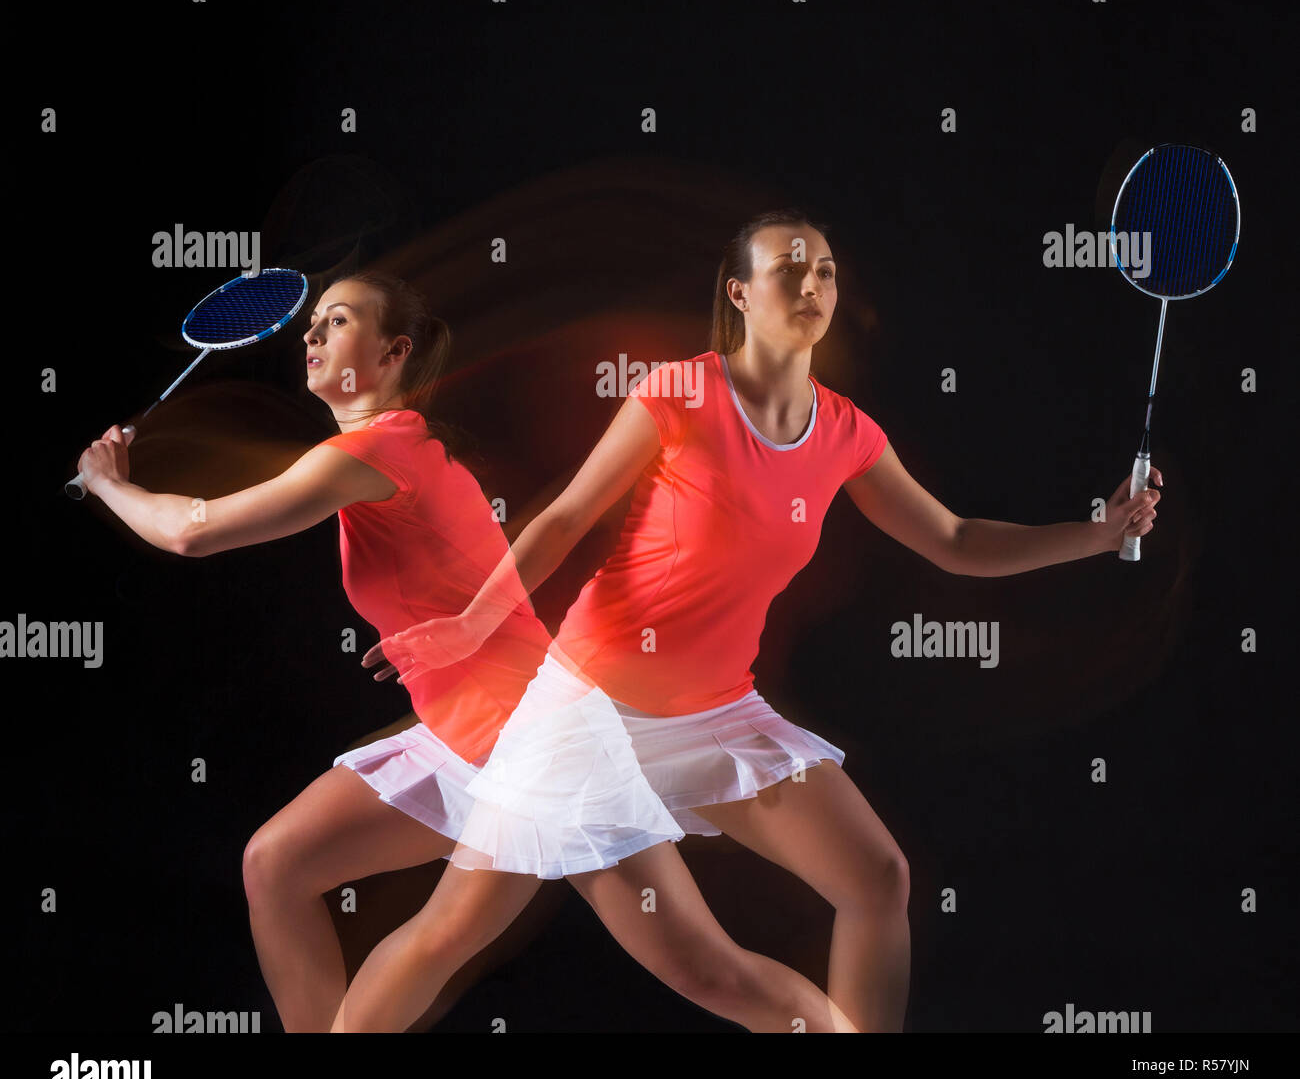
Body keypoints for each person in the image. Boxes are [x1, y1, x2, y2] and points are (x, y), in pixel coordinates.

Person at [345, 208, 1162, 1034]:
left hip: (716, 710)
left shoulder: (845, 433)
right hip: (586, 710)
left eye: (827, 272)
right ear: (739, 291)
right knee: (466, 935)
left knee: (878, 878)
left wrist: (1098, 534)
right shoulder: (681, 391)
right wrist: (474, 625)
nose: (811, 285)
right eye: (788, 269)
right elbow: (561, 520)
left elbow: (954, 541)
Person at [76, 269, 848, 1034]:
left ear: (392, 353)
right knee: (277, 864)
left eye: (337, 321)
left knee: (705, 970)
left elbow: (192, 529)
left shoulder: (376, 455)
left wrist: (107, 481)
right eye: (311, 324)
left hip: (540, 743)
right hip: (466, 737)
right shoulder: (390, 450)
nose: (310, 334)